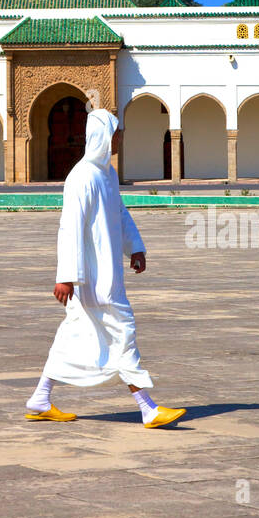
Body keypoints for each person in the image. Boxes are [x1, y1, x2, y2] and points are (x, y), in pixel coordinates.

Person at [25, 107, 186, 429]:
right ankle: (148, 408)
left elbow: (119, 212)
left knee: (74, 335)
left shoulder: (107, 174)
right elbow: (69, 227)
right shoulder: (82, 177)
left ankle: (40, 398)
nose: (119, 137)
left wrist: (135, 246)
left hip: (107, 273)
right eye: (115, 132)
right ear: (102, 136)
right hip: (93, 280)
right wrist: (66, 277)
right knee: (123, 332)